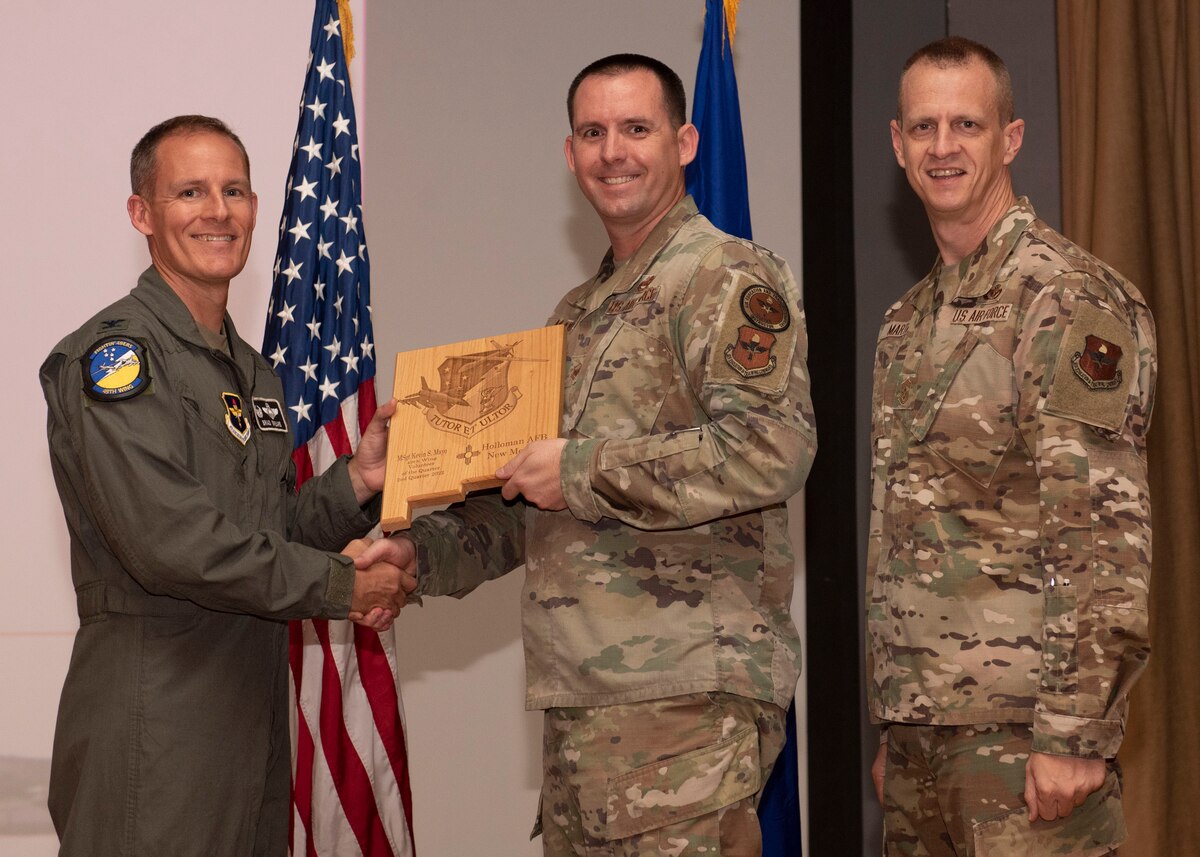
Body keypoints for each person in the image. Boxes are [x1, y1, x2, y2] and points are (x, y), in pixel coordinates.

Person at [356, 54, 815, 855]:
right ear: (569, 154)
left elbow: (769, 447)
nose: (614, 151)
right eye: (593, 133)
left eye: (637, 129)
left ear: (684, 141)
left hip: (684, 708)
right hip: (588, 706)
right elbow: (523, 503)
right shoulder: (580, 313)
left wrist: (577, 468)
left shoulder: (723, 276)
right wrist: (412, 557)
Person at [39, 115, 412, 856]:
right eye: (189, 191)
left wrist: (357, 480)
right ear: (142, 213)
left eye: (234, 190)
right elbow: (170, 542)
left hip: (248, 707)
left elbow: (266, 529)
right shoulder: (116, 357)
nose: (218, 210)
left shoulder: (251, 372)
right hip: (158, 708)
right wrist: (345, 586)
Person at [866, 37, 1156, 855]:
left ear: (1011, 139)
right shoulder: (907, 321)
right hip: (924, 744)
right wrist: (900, 724)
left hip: (1029, 744)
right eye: (924, 128)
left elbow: (1103, 534)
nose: (944, 146)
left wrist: (1075, 731)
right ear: (897, 145)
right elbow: (910, 538)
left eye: (967, 123)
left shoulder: (1066, 297)